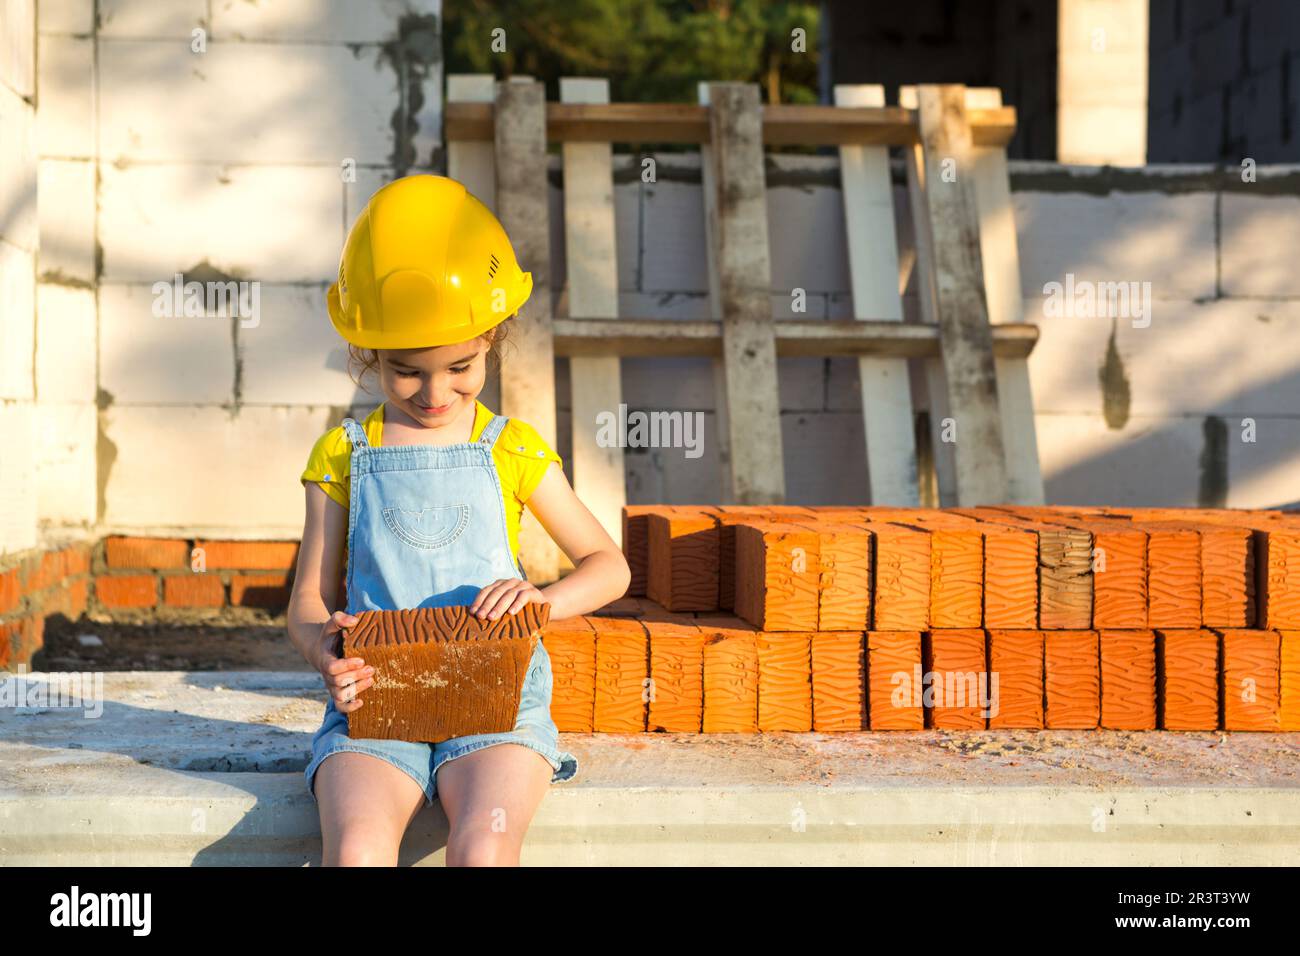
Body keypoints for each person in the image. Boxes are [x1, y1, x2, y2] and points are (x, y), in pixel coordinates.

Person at [287, 174, 630, 866]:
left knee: (484, 845)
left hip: (497, 708)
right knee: (355, 849)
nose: (436, 392)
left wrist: (544, 600)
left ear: (495, 335)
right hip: (377, 708)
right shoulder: (343, 454)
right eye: (406, 371)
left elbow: (609, 567)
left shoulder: (511, 448)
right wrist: (324, 653)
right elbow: (306, 602)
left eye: (461, 366)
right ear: (368, 355)